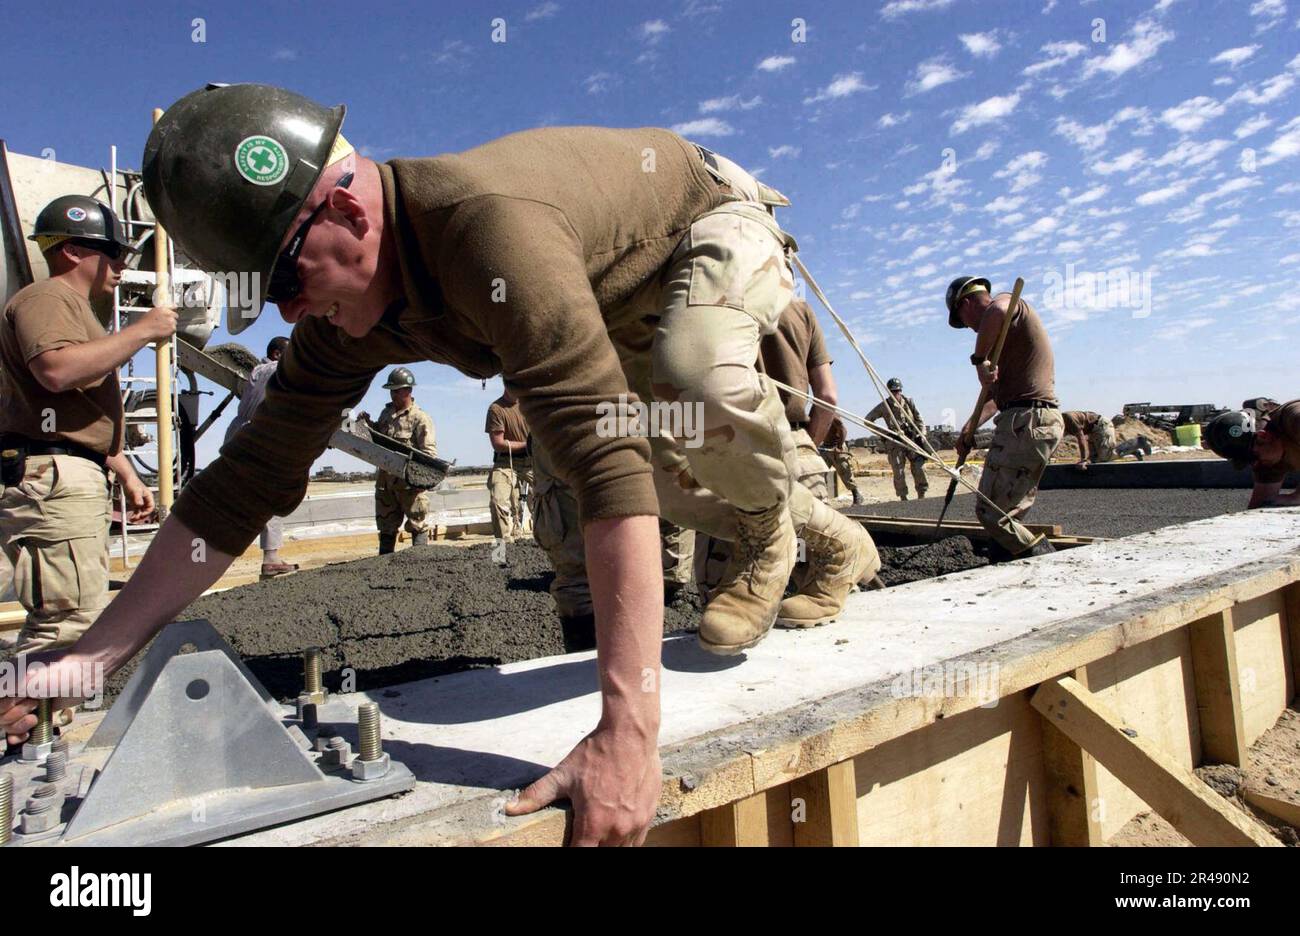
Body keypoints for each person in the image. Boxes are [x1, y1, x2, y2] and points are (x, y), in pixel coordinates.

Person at [2, 83, 872, 844]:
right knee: (671, 484)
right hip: (608, 286)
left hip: (699, 218)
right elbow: (242, 487)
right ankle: (830, 538)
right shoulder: (344, 319)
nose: (292, 313)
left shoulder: (489, 230)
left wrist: (628, 737)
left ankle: (768, 535)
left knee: (696, 383)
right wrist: (92, 655)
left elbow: (604, 464)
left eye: (290, 283)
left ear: (345, 212)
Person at [0, 195, 173, 653]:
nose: (121, 264)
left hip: (70, 469)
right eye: (113, 252)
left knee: (72, 618)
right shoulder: (47, 297)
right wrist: (142, 331)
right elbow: (56, 371)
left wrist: (127, 473)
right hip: (53, 478)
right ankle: (22, 722)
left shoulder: (77, 310)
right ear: (72, 251)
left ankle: (38, 723)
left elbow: (81, 415)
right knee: (64, 626)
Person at [946, 275, 1060, 559]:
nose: (971, 330)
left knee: (991, 513)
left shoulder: (1006, 305)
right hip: (1033, 420)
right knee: (1008, 515)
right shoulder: (1006, 344)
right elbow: (995, 398)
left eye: (964, 321)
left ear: (967, 303)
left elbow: (995, 313)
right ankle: (1005, 560)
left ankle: (1045, 557)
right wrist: (969, 430)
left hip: (1026, 420)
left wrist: (979, 359)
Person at [224, 336, 297, 577]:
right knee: (272, 497)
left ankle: (202, 554)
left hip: (239, 435)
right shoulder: (277, 369)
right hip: (259, 438)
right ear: (277, 354)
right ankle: (271, 559)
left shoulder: (256, 370)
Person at [368, 367, 437, 553]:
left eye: (396, 390)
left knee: (418, 525)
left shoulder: (420, 418)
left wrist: (422, 481)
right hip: (386, 484)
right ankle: (384, 567)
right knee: (386, 528)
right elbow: (379, 439)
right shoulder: (386, 414)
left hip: (409, 485)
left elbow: (428, 453)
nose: (393, 395)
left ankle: (420, 565)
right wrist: (368, 424)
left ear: (408, 390)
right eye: (391, 390)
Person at [1205, 404, 1300, 508]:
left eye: (1253, 457)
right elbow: (1261, 505)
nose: (1255, 464)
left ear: (1263, 437)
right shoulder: (1267, 460)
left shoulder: (1294, 420)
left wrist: (1296, 496)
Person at [866, 377, 929, 500]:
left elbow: (919, 419)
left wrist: (922, 435)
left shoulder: (909, 402)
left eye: (898, 391)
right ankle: (903, 497)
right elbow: (868, 421)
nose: (896, 393)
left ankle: (922, 494)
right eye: (893, 391)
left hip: (912, 440)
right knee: (898, 471)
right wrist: (886, 433)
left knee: (919, 467)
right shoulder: (884, 406)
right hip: (895, 442)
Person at [485, 388, 531, 543]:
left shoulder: (531, 405)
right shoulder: (496, 409)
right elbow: (498, 444)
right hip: (506, 462)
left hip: (533, 461)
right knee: (498, 501)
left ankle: (549, 546)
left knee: (548, 500)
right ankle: (502, 548)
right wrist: (528, 445)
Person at [821, 417, 863, 505]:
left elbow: (843, 429)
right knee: (820, 471)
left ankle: (856, 495)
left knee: (844, 472)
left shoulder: (832, 414)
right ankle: (822, 499)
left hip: (837, 447)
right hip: (825, 448)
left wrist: (839, 446)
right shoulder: (817, 413)